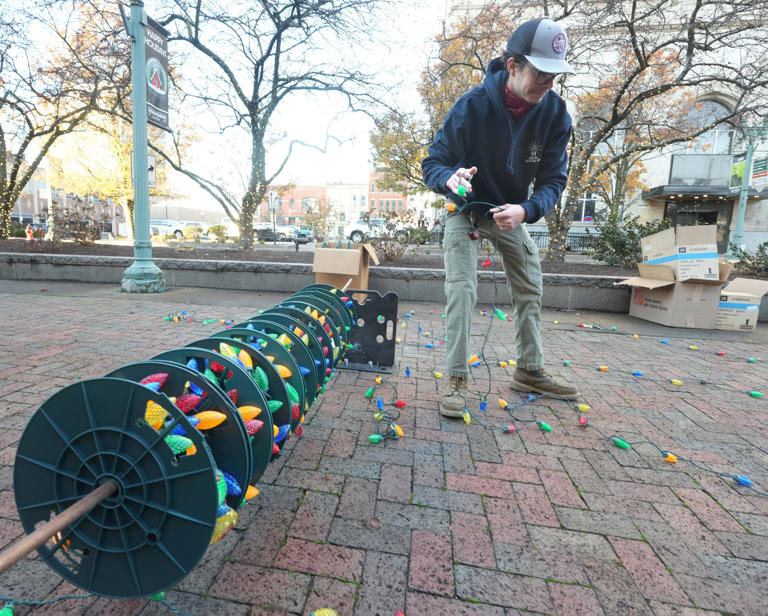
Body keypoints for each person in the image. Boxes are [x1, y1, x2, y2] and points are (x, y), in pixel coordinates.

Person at [421, 17, 581, 418]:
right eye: (541, 75)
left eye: (554, 77)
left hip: (511, 214)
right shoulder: (471, 106)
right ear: (513, 66)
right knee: (462, 290)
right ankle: (457, 377)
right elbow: (433, 164)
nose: (548, 85)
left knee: (531, 287)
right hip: (466, 212)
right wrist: (449, 180)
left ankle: (528, 370)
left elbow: (553, 181)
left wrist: (526, 210)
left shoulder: (556, 116)